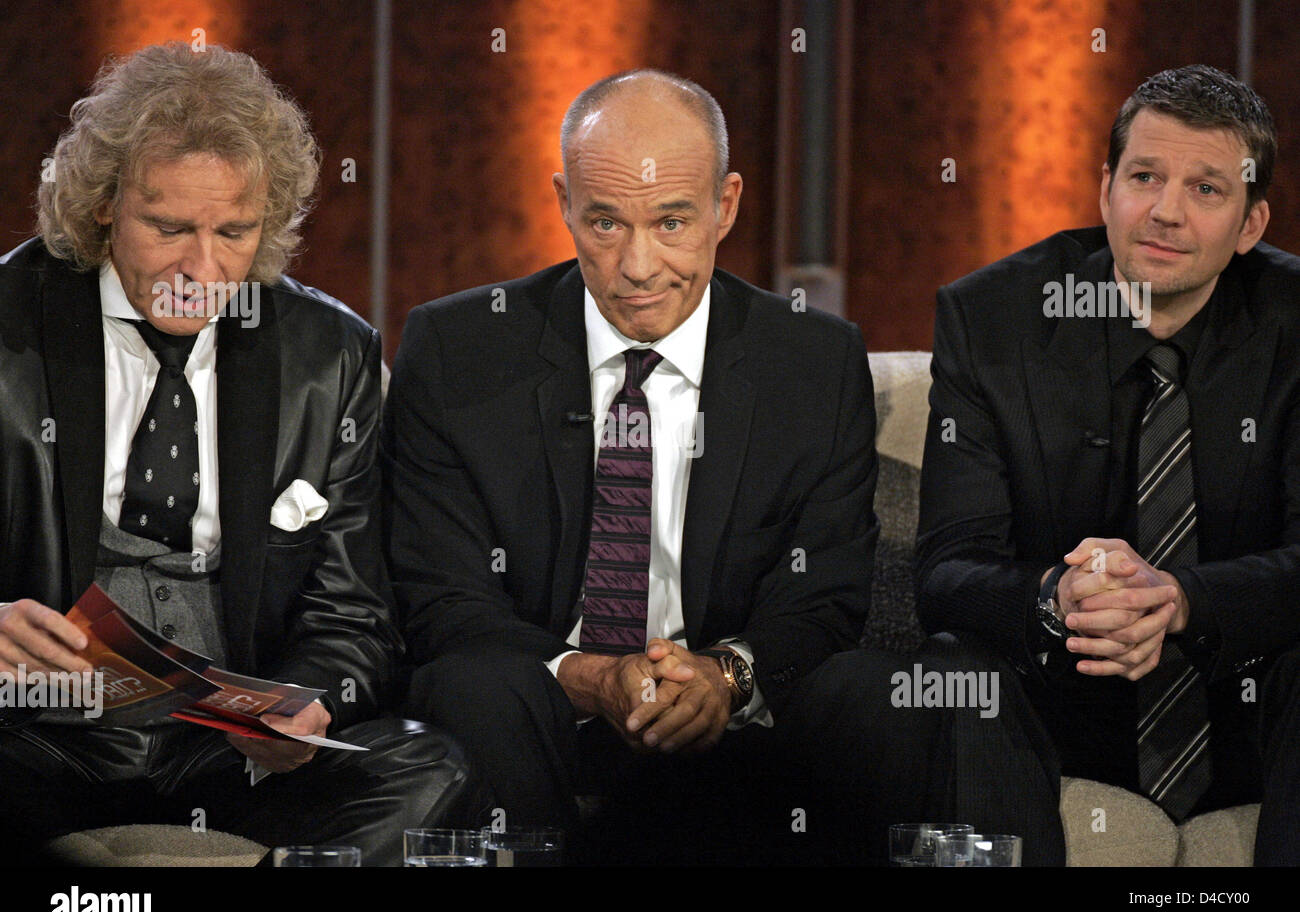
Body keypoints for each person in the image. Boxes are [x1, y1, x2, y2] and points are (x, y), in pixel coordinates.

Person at [386, 69, 1061, 864]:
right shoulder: (458, 351)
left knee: (886, 690)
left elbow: (824, 597)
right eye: (605, 223)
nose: (637, 267)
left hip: (740, 733)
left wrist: (726, 678)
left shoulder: (812, 359)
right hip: (541, 709)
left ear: (726, 205)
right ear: (564, 201)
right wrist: (594, 678)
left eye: (671, 222)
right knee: (471, 684)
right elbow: (441, 598)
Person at [0, 42, 478, 866]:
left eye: (235, 232)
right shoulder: (8, 322)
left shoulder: (330, 355)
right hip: (34, 741)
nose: (203, 268)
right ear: (105, 203)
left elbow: (353, 613)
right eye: (170, 228)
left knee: (427, 767)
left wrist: (303, 707)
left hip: (222, 756)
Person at [917, 64, 1300, 865]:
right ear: (1105, 189)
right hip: (1060, 707)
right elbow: (948, 571)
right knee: (948, 671)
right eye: (1144, 177)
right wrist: (1059, 599)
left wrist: (1182, 601)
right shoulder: (993, 322)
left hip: (1253, 703)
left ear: (1251, 222)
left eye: (1205, 189)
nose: (1163, 211)